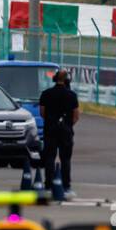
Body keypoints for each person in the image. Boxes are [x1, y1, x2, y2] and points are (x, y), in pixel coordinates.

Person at [39, 69, 79, 199]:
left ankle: (48, 184)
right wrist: (68, 125)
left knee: (49, 157)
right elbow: (76, 116)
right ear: (67, 80)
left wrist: (51, 121)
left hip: (50, 129)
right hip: (66, 130)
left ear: (55, 79)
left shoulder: (46, 94)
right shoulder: (72, 95)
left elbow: (42, 113)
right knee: (65, 159)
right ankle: (66, 185)